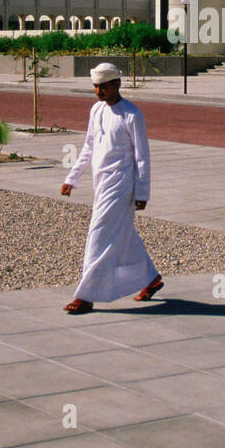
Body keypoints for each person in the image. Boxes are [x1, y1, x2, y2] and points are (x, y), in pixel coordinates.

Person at [59, 63, 162, 313]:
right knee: (124, 235)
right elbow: (88, 146)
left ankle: (86, 295)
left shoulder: (132, 114)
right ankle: (151, 279)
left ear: (116, 84)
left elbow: (142, 156)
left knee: (99, 234)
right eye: (95, 86)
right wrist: (72, 178)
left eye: (103, 86)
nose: (98, 91)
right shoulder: (96, 110)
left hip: (121, 185)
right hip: (101, 183)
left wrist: (142, 192)